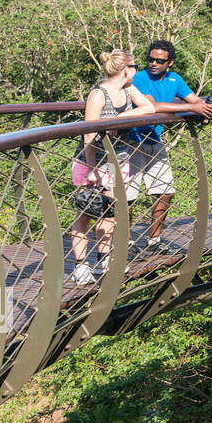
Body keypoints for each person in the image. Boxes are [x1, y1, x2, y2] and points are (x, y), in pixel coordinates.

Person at [70, 51, 155, 285]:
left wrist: (120, 117)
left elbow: (150, 108)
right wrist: (92, 169)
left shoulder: (129, 90)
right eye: (135, 66)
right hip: (91, 161)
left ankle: (103, 259)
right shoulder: (99, 94)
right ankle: (80, 266)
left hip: (117, 161)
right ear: (126, 69)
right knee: (85, 212)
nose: (137, 71)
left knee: (108, 211)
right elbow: (88, 132)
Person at [127, 39, 212, 251]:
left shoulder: (174, 79)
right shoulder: (139, 79)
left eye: (160, 61)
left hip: (154, 140)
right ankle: (127, 243)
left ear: (170, 63)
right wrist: (192, 108)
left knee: (165, 191)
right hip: (131, 141)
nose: (154, 64)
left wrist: (207, 106)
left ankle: (154, 241)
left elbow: (194, 101)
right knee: (127, 197)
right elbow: (152, 106)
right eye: (150, 59)